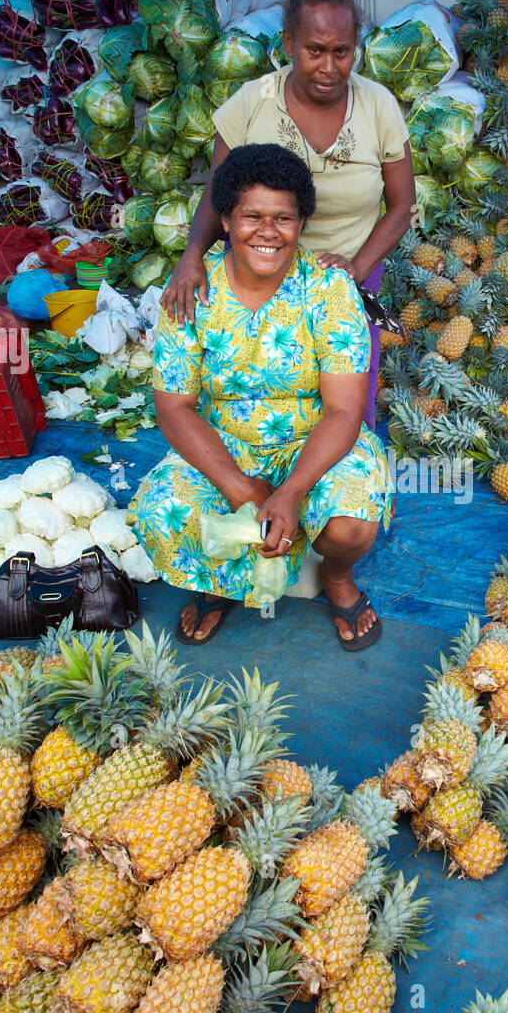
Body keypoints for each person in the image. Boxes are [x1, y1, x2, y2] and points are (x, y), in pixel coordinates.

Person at [127, 143, 392, 649]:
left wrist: (290, 490)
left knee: (352, 522)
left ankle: (337, 578)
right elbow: (175, 407)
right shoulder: (191, 290)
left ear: (301, 223)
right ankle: (219, 583)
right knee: (165, 511)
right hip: (225, 441)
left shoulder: (329, 289)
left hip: (314, 439)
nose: (267, 231)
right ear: (225, 218)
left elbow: (343, 409)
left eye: (284, 218)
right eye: (251, 215)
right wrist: (238, 487)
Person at [162, 0, 415, 441]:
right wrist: (192, 255)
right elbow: (218, 192)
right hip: (262, 274)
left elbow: (403, 206)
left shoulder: (378, 106)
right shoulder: (252, 104)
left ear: (356, 48)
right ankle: (262, 481)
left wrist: (355, 270)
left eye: (342, 51)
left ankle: (341, 488)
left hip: (347, 273)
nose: (329, 66)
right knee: (272, 393)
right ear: (288, 44)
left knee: (347, 401)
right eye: (314, 50)